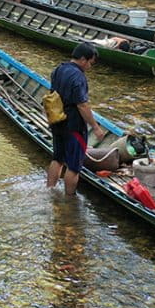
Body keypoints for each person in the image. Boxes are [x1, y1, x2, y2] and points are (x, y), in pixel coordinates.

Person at [46, 41, 102, 194]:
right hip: (73, 126)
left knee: (57, 159)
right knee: (74, 167)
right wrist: (95, 127)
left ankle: (50, 190)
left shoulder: (59, 69)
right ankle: (69, 200)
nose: (90, 67)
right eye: (90, 63)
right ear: (83, 59)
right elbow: (82, 105)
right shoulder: (78, 77)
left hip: (57, 121)